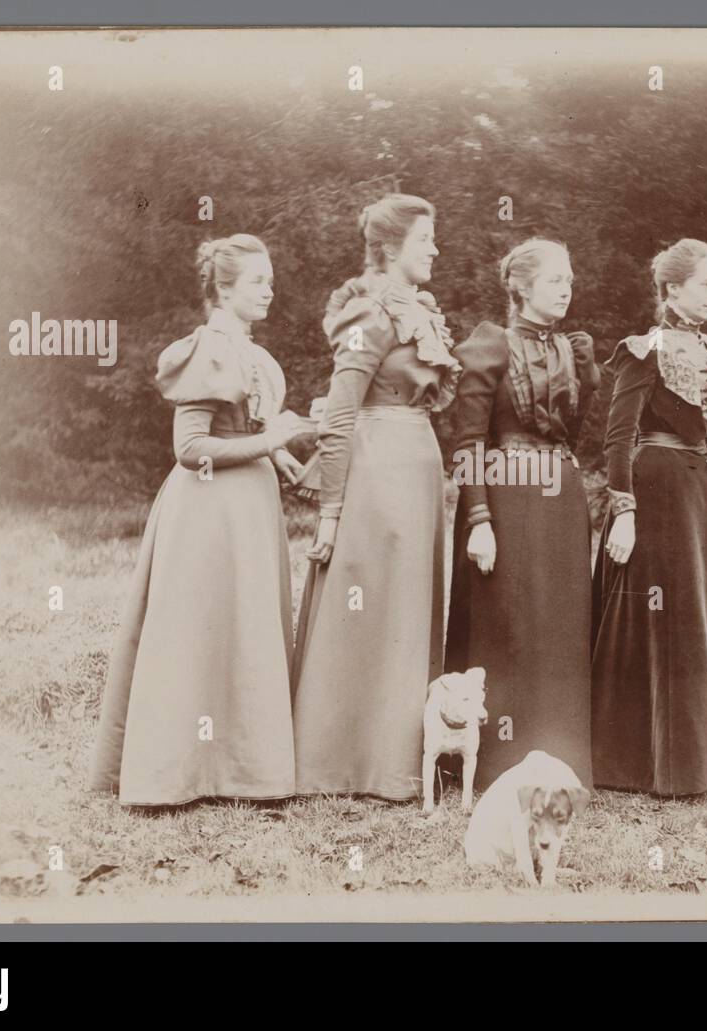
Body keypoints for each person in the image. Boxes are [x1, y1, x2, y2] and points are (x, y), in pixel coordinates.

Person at [89, 234, 311, 806]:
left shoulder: (251, 353)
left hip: (249, 507)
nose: (270, 290)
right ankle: (177, 775)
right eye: (257, 281)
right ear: (224, 289)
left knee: (243, 630)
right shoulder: (207, 351)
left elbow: (245, 431)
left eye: (270, 280)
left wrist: (282, 457)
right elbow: (190, 448)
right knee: (199, 633)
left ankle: (245, 773)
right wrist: (270, 441)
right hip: (208, 511)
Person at [290, 194, 461, 801]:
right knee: (367, 609)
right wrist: (330, 512)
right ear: (390, 249)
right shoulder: (371, 312)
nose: (435, 249)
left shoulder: (418, 310)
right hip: (378, 471)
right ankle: (340, 762)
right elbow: (340, 413)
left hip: (417, 469)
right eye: (424, 240)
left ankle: (397, 763)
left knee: (407, 611)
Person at [445, 238, 599, 789]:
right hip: (507, 499)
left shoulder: (575, 351)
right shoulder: (491, 346)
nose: (566, 289)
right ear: (522, 287)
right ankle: (498, 765)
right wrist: (479, 521)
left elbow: (574, 433)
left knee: (560, 627)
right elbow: (468, 441)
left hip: (562, 499)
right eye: (555, 279)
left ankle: (560, 757)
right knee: (508, 622)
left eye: (570, 279)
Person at [590, 238, 707, 797]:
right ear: (672, 289)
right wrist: (624, 511)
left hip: (704, 489)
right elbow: (618, 438)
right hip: (656, 490)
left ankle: (698, 761)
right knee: (660, 614)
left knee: (698, 610)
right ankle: (639, 764)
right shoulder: (643, 350)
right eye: (706, 284)